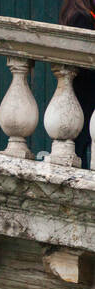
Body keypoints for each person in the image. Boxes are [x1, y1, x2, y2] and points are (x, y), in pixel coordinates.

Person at [61, 0, 95, 169]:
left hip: (80, 87)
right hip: (85, 88)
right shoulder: (81, 17)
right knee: (80, 139)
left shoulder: (75, 12)